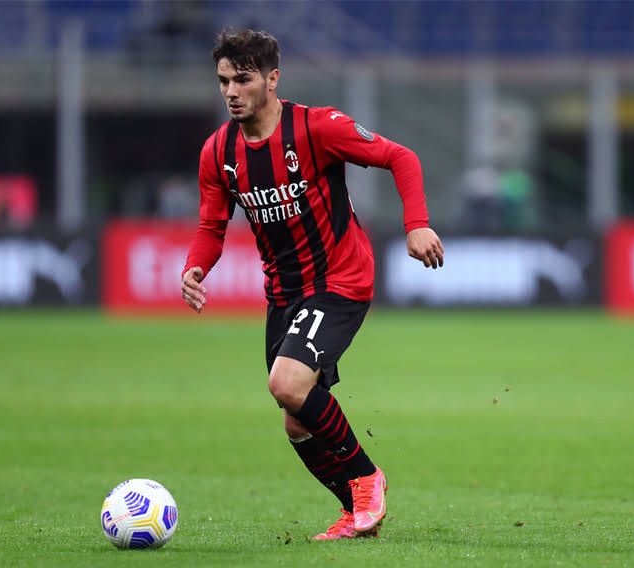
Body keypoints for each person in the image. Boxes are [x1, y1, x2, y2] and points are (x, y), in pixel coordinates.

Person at [180, 29, 444, 540]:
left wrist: (417, 224)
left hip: (340, 279)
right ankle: (356, 513)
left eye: (243, 79)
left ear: (272, 79)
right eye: (223, 81)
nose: (231, 91)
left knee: (286, 384)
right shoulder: (218, 152)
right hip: (283, 293)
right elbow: (212, 226)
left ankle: (367, 478)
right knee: (296, 421)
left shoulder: (316, 127)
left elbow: (401, 157)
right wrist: (196, 267)